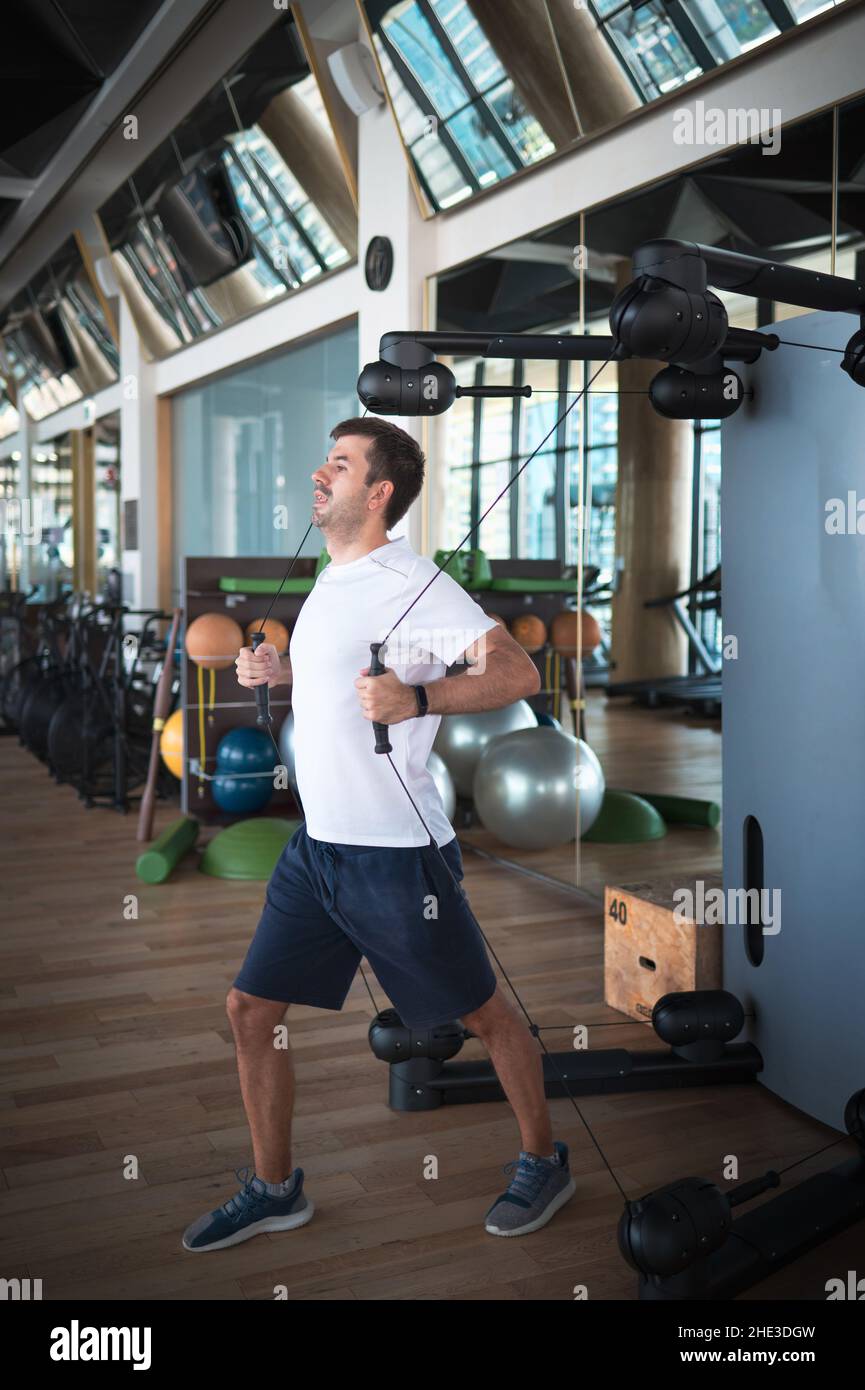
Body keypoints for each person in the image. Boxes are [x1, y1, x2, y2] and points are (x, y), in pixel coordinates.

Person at [182, 417, 576, 1253]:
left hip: (396, 857)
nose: (320, 475)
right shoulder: (335, 577)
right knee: (251, 1009)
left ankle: (545, 1157)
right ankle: (274, 1187)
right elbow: (344, 676)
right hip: (317, 850)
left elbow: (516, 670)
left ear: (379, 491)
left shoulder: (414, 582)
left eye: (340, 464)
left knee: (484, 1016)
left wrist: (420, 701)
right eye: (324, 459)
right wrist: (276, 672)